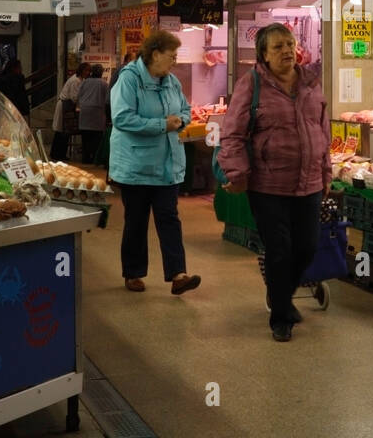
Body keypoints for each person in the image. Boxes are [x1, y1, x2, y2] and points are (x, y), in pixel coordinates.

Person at [218, 23, 331, 343]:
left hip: (308, 182)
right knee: (279, 250)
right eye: (278, 46)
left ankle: (279, 294)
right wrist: (237, 174)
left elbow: (323, 131)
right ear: (264, 55)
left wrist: (325, 172)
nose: (286, 51)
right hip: (268, 185)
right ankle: (281, 316)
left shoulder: (311, 83)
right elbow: (233, 133)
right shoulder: (251, 84)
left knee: (307, 248)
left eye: (289, 44)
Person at [110, 31, 201, 296]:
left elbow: (185, 109)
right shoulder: (128, 80)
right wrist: (162, 125)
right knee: (136, 221)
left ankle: (178, 274)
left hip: (167, 164)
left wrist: (181, 120)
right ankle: (134, 273)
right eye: (172, 56)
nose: (174, 62)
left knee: (169, 218)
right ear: (155, 54)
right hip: (135, 165)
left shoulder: (171, 81)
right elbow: (122, 118)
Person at [50, 62, 88, 162]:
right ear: (82, 70)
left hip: (66, 105)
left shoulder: (79, 79)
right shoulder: (76, 80)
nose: (88, 73)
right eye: (87, 70)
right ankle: (58, 154)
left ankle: (58, 153)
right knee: (63, 131)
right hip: (65, 105)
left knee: (62, 131)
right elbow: (74, 97)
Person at [77, 64, 110, 163]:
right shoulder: (104, 83)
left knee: (85, 137)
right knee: (97, 138)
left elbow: (78, 95)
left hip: (85, 111)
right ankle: (95, 158)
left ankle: (85, 158)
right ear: (101, 73)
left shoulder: (85, 82)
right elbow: (107, 99)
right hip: (97, 113)